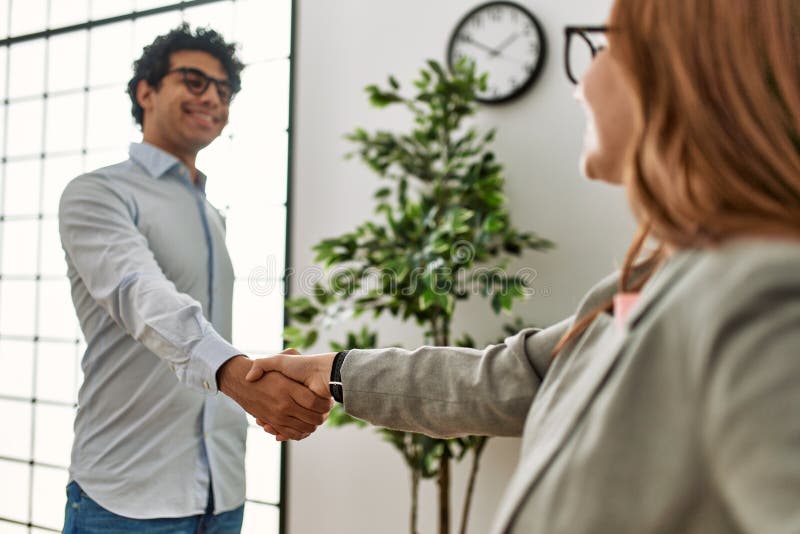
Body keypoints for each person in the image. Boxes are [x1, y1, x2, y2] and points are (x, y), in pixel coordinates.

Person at [246, 0, 800, 532]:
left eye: (604, 45)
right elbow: (503, 378)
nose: (581, 85)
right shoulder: (648, 281)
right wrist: (330, 370)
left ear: (688, 70)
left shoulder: (765, 296)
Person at [58, 24, 329, 533]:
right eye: (194, 81)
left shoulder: (209, 211)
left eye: (224, 91)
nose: (213, 99)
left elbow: (197, 327)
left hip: (221, 490)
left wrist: (259, 374)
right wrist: (235, 372)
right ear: (147, 91)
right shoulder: (97, 194)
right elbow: (140, 295)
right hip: (126, 497)